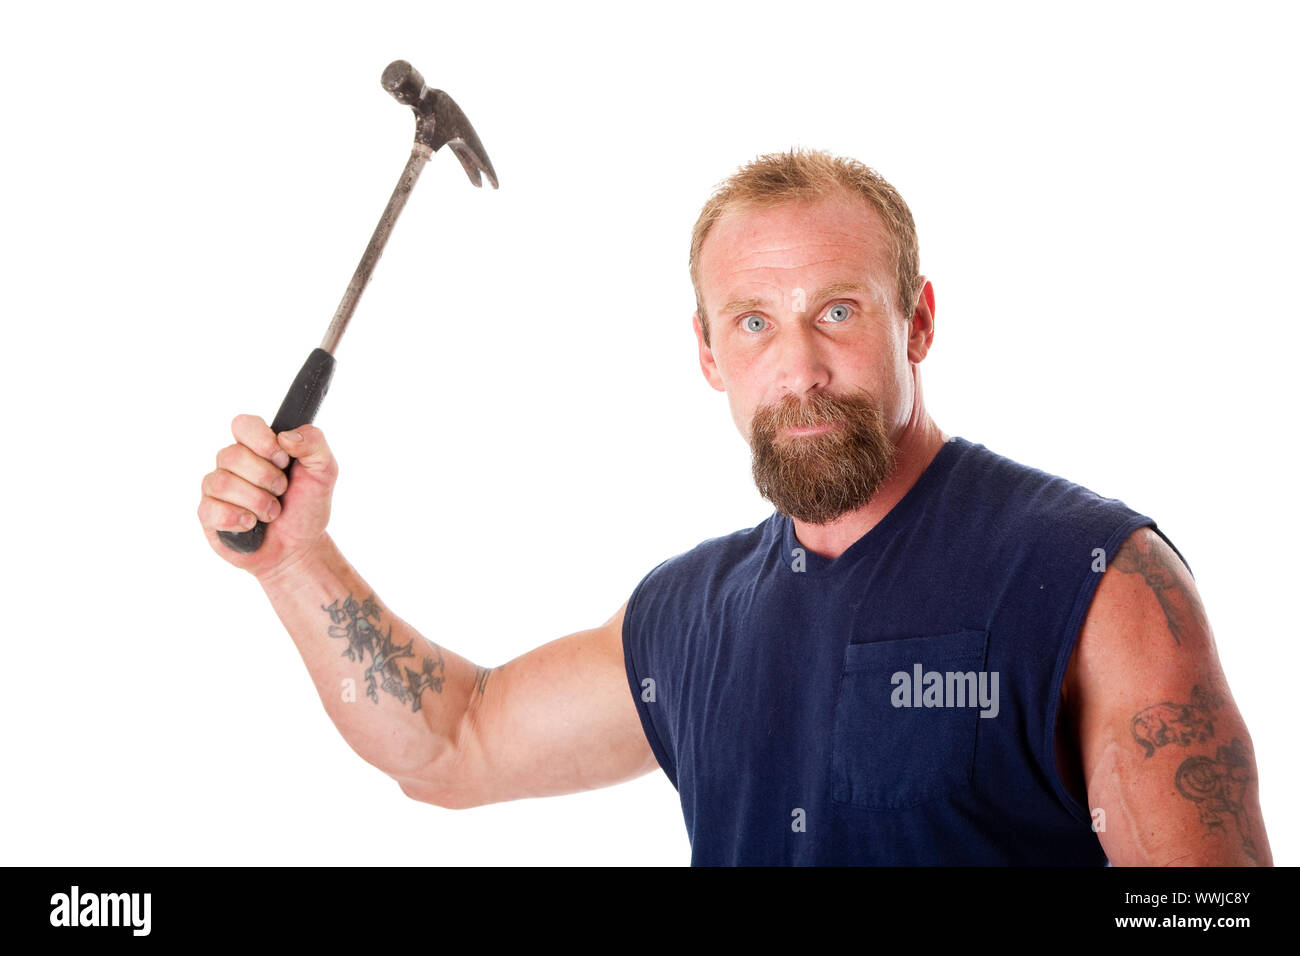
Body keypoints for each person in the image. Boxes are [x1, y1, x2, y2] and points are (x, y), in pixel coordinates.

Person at [197, 149, 1271, 866]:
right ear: (709, 355)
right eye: (753, 322)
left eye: (836, 310)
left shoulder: (1093, 578)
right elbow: (451, 743)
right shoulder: (688, 616)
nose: (797, 365)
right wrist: (296, 558)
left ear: (919, 321)